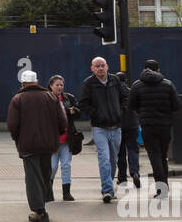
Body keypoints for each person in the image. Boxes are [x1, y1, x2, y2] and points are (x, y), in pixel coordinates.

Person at [8, 70, 66, 222]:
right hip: (48, 145)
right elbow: (63, 121)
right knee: (45, 174)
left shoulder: (18, 99)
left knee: (33, 178)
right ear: (37, 81)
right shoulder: (51, 97)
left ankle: (39, 211)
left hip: (28, 146)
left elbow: (13, 125)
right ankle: (44, 203)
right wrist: (55, 135)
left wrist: (18, 139)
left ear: (22, 83)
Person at [77, 56, 128, 203]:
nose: (100, 68)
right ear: (92, 69)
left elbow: (124, 97)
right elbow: (83, 104)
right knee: (104, 159)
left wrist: (121, 111)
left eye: (102, 65)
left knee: (113, 160)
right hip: (100, 128)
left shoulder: (115, 81)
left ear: (107, 66)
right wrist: (96, 113)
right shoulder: (89, 84)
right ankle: (107, 190)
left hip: (116, 127)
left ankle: (109, 185)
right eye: (97, 66)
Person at [128, 59, 182, 197]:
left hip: (148, 126)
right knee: (163, 156)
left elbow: (131, 106)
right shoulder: (168, 84)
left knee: (154, 156)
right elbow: (177, 105)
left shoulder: (137, 85)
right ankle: (164, 186)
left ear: (144, 69)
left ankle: (161, 188)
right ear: (158, 70)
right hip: (165, 126)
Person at [47, 75, 80, 201]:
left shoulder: (68, 98)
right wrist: (67, 111)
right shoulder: (46, 98)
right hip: (52, 140)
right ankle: (47, 192)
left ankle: (66, 193)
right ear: (51, 86)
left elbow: (79, 110)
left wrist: (75, 111)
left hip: (67, 139)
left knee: (66, 165)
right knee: (53, 166)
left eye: (61, 85)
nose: (60, 87)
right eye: (57, 85)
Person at [116, 70, 142, 189]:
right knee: (133, 150)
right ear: (126, 81)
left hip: (118, 126)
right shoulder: (132, 91)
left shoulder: (114, 93)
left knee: (120, 153)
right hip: (132, 125)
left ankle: (122, 178)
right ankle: (135, 172)